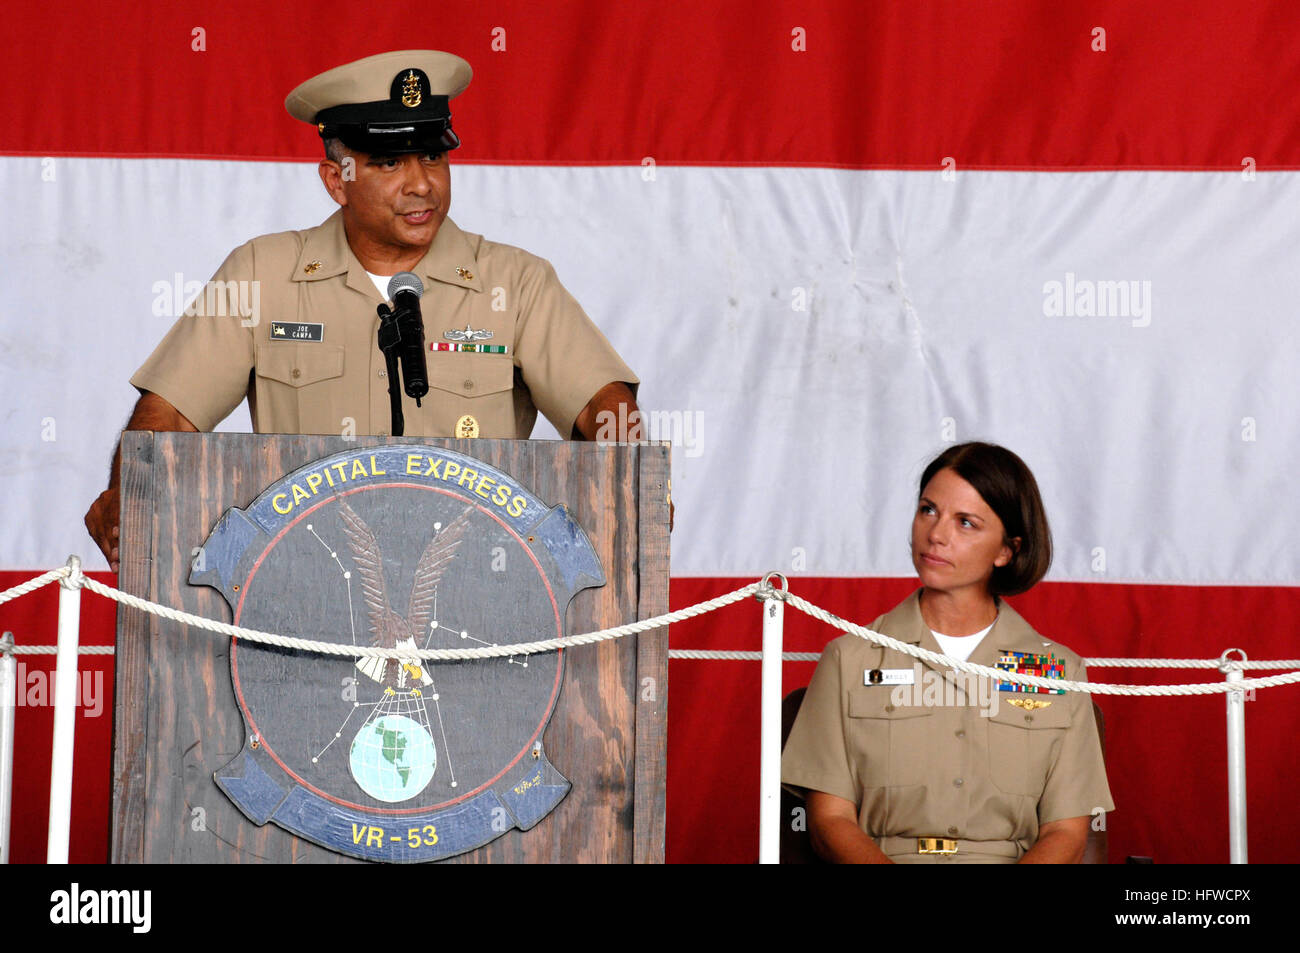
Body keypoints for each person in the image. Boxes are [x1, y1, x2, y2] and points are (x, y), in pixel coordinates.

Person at [84, 50, 641, 571]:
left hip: (477, 579)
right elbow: (170, 417)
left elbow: (602, 404)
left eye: (433, 156)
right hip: (304, 580)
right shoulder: (263, 272)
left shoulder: (515, 282)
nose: (421, 184)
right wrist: (128, 494)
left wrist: (637, 483)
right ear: (337, 181)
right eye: (389, 163)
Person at [781, 442, 1114, 863]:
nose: (936, 534)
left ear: (1006, 550)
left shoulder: (1057, 670)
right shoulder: (850, 658)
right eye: (928, 510)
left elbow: (1065, 832)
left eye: (966, 523)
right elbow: (830, 821)